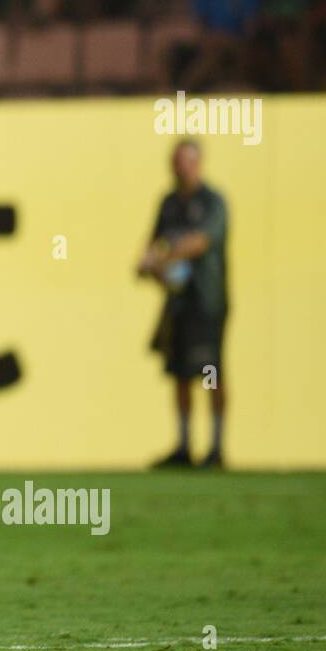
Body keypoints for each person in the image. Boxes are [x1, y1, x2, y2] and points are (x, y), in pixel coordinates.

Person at [138, 140, 230, 470]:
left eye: (188, 162)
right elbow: (153, 243)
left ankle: (216, 446)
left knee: (209, 372)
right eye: (177, 162)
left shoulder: (212, 202)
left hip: (206, 300)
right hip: (177, 302)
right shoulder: (168, 204)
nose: (182, 168)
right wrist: (148, 264)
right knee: (179, 373)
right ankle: (184, 445)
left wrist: (162, 256)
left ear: (199, 164)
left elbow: (200, 242)